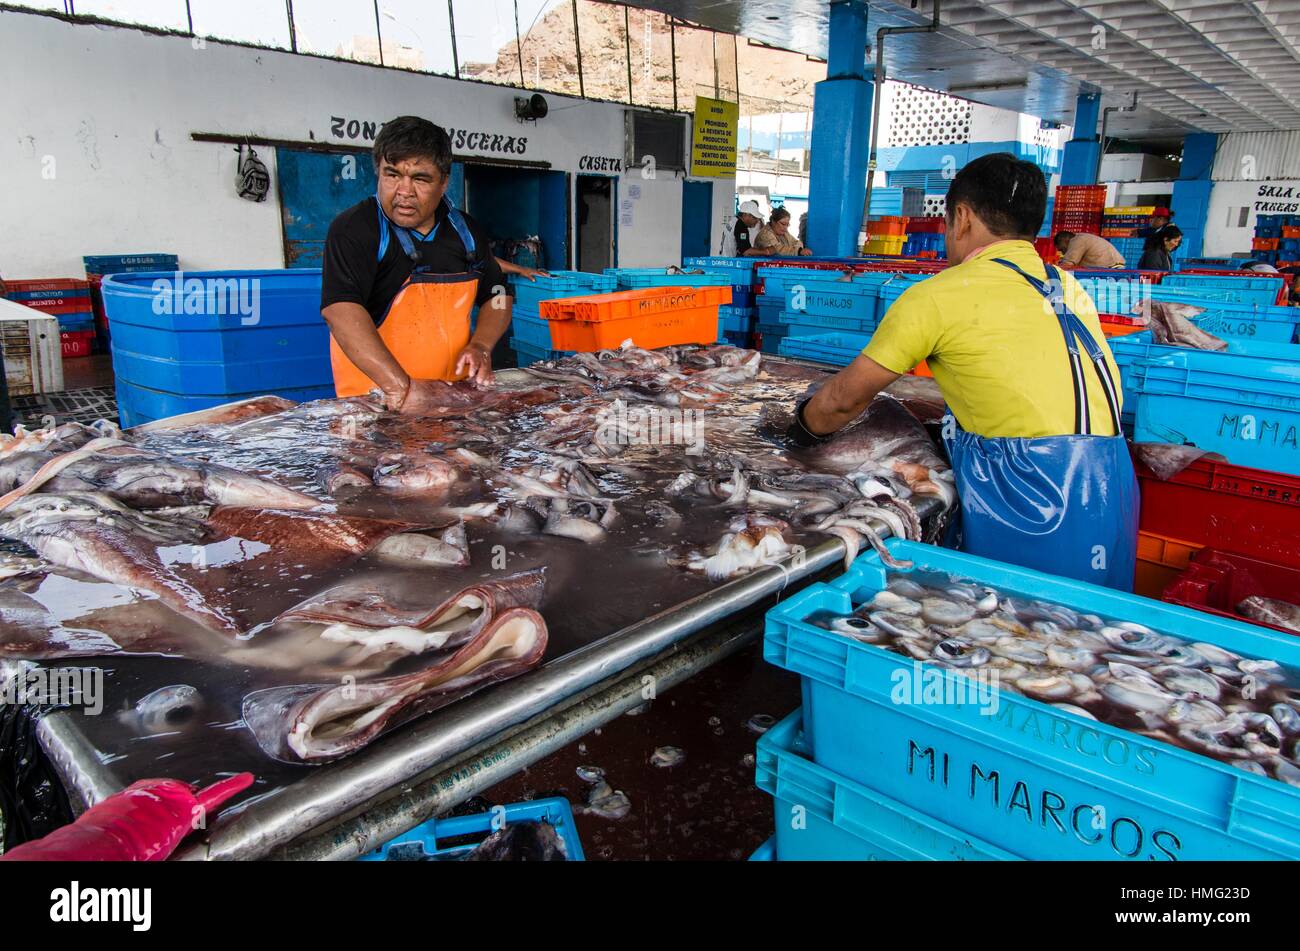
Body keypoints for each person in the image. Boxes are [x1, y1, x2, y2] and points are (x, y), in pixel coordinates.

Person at [788, 152, 1138, 590]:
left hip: (1032, 499)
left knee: (1013, 624)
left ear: (962, 216)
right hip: (1109, 491)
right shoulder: (1066, 287)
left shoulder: (940, 296)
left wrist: (795, 436)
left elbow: (841, 401)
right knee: (1085, 636)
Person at [321, 116, 514, 412]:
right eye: (392, 175)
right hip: (375, 404)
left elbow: (498, 295)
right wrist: (399, 388)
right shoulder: (355, 229)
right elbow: (341, 312)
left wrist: (482, 346)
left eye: (420, 179)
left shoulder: (467, 233)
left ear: (444, 181)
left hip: (449, 403)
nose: (404, 191)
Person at [1054, 229, 1126, 269]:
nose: (1063, 253)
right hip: (1117, 267)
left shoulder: (1077, 240)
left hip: (1109, 269)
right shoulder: (1083, 237)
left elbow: (1067, 265)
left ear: (1065, 240)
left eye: (1062, 249)